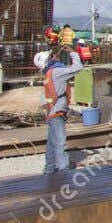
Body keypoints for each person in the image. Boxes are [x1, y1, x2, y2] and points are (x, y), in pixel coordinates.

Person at [38, 44, 87, 174]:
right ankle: (63, 170)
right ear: (49, 61)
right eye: (52, 56)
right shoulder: (57, 72)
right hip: (57, 113)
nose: (55, 56)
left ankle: (49, 169)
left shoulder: (49, 73)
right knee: (60, 143)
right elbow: (78, 68)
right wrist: (73, 53)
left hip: (52, 113)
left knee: (51, 144)